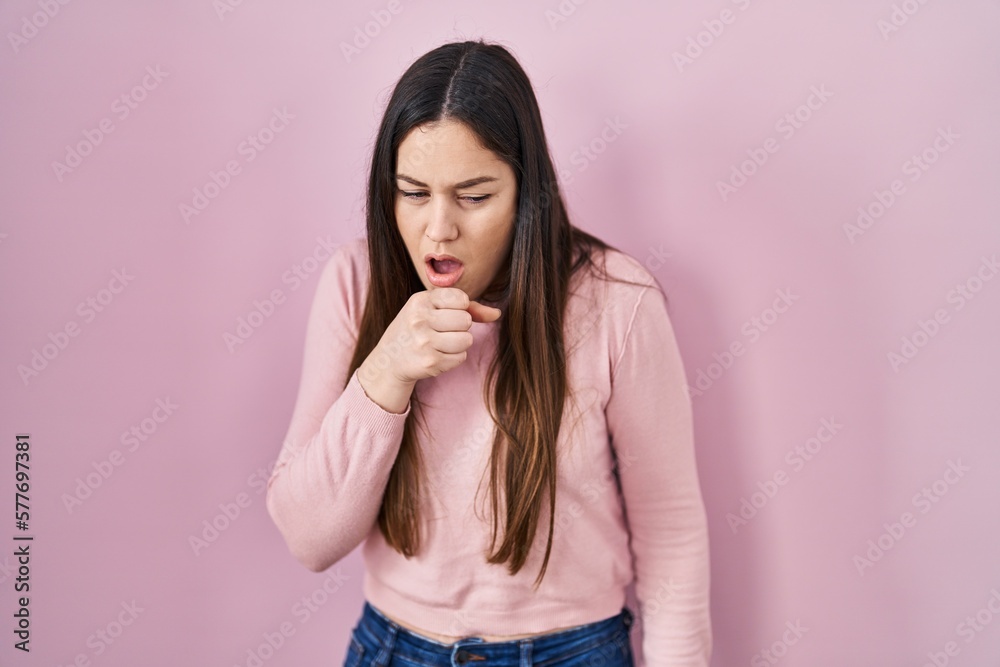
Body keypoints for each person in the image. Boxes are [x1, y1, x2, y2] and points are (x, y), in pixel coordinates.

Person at [265, 38, 712, 666]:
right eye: (413, 192)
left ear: (525, 191)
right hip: (394, 648)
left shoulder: (617, 301)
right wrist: (385, 373)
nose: (438, 228)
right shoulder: (354, 284)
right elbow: (308, 540)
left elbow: (671, 534)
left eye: (473, 196)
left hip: (574, 652)